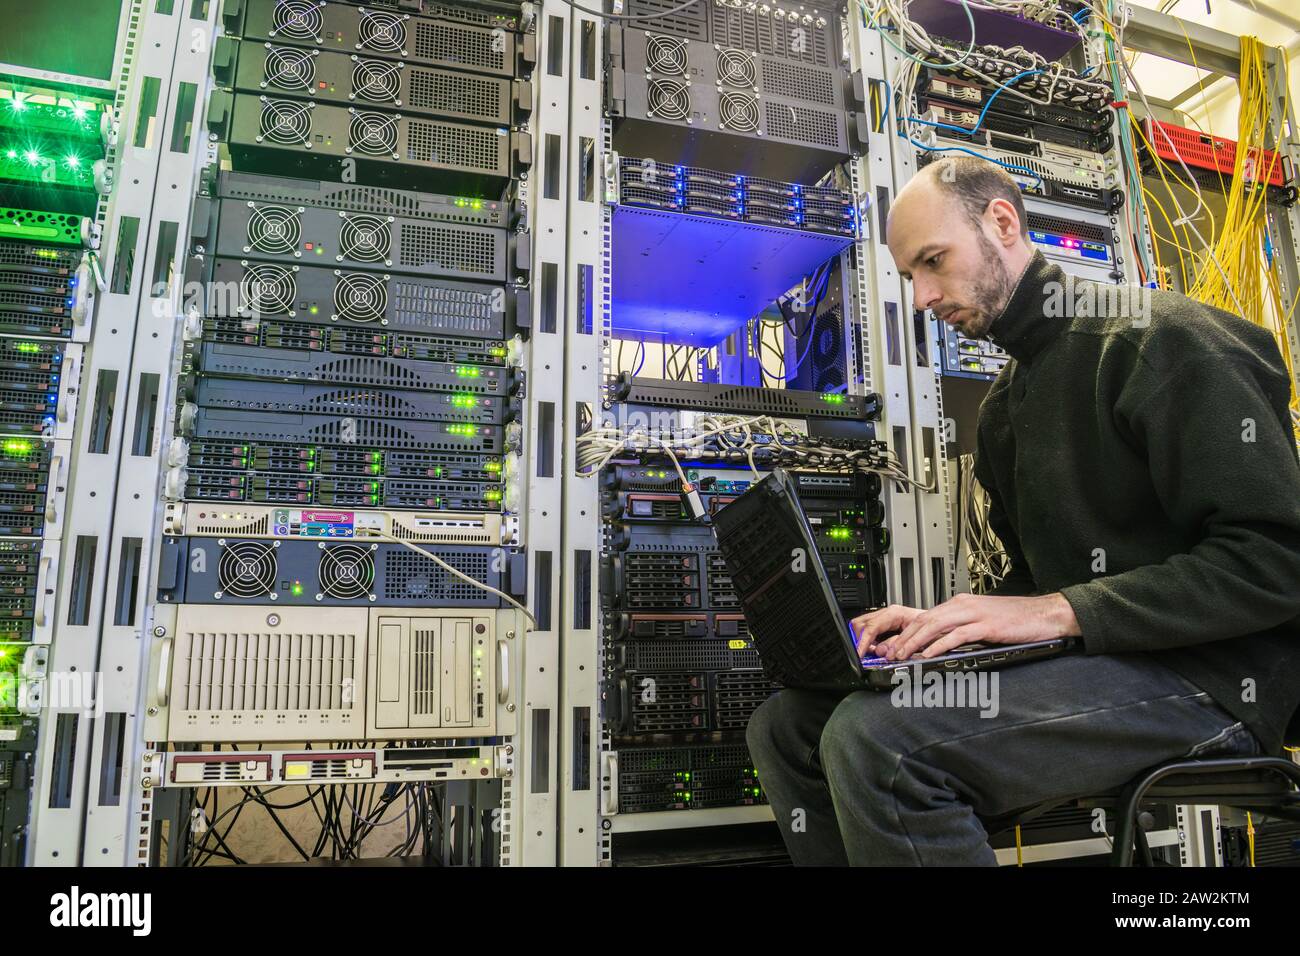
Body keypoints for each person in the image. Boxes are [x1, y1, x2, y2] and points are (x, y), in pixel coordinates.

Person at [745, 156, 1300, 865]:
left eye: (933, 262)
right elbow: (1035, 595)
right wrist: (951, 627)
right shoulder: (1006, 409)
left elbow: (1277, 562)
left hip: (1214, 680)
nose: (920, 296)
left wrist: (1055, 611)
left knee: (881, 740)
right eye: (910, 275)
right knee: (788, 729)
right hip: (1104, 657)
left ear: (1002, 223)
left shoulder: (1162, 341)